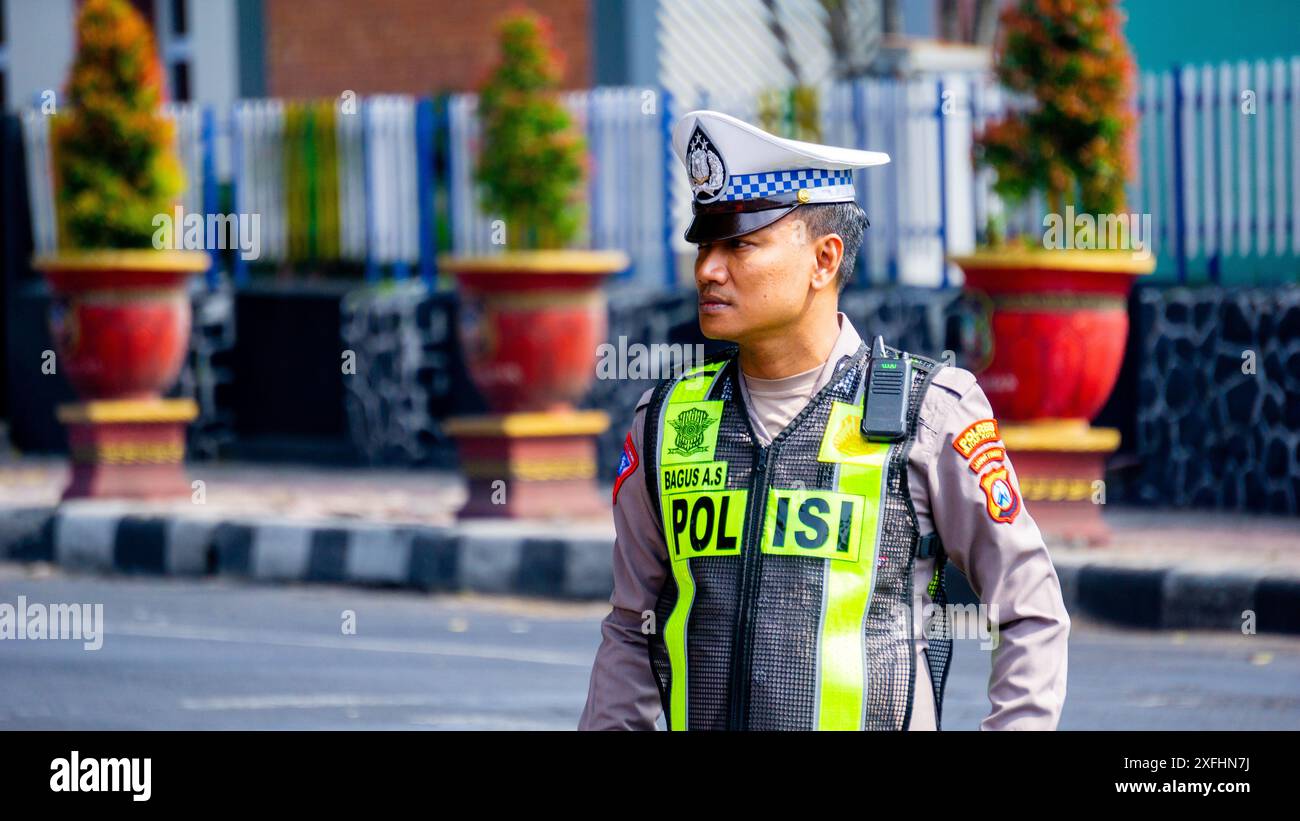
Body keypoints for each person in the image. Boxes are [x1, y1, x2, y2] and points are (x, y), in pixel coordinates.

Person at [579, 110, 1070, 731]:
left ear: (823, 259)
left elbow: (1030, 610)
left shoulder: (928, 411)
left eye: (739, 243)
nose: (707, 268)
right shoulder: (667, 421)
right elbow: (631, 629)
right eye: (704, 243)